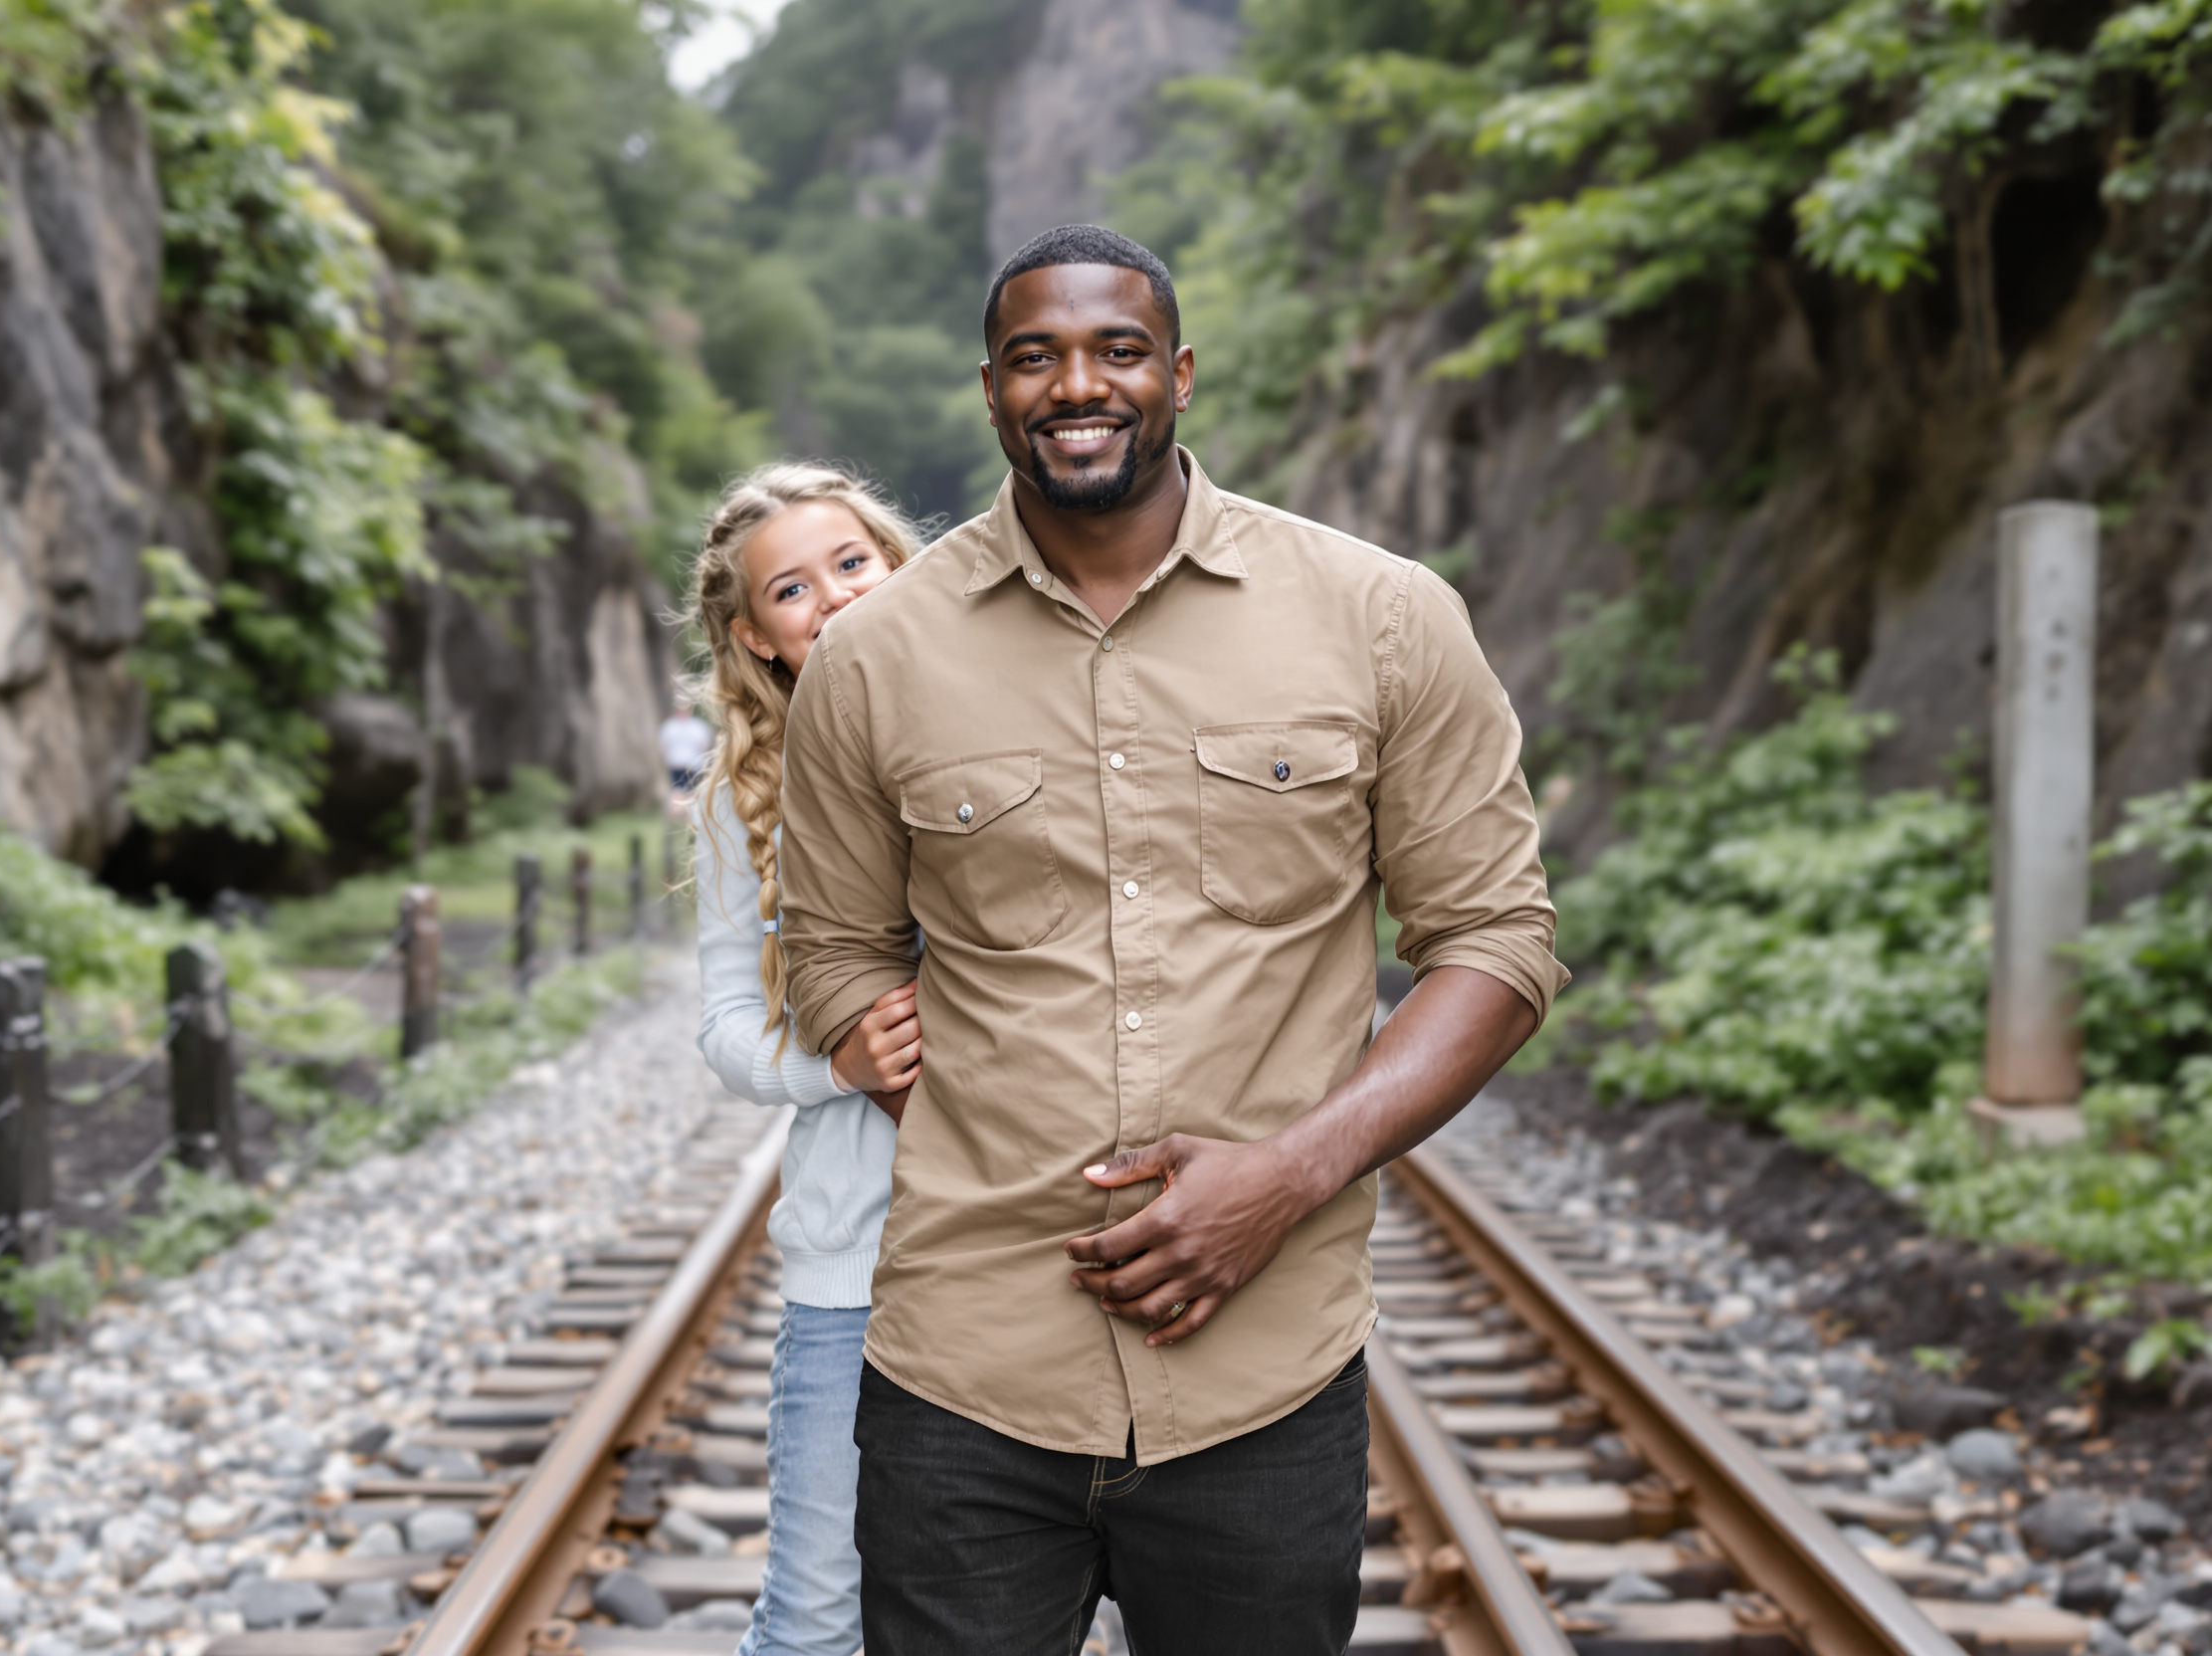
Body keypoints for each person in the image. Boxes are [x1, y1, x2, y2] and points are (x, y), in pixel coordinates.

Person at [775, 225, 1567, 1655]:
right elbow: (831, 949)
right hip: (965, 1373)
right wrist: (941, 1088)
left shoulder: (1381, 619)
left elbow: (1498, 945)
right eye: (1037, 357)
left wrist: (1284, 1177)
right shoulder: (873, 659)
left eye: (1118, 350)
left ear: (1181, 375)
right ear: (992, 389)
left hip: (1263, 1378)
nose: (1078, 384)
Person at [688, 463, 926, 1656]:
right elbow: (725, 1020)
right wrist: (832, 1064)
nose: (832, 597)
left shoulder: (1004, 719)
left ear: (898, 563)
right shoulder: (742, 795)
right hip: (856, 1262)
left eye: (851, 562)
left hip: (1039, 1247)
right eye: (792, 588)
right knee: (817, 1613)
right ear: (755, 636)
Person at [661, 704, 714, 796]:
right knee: (677, 793)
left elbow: (705, 746)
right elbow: (663, 747)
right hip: (676, 766)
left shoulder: (698, 727)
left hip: (694, 766)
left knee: (693, 792)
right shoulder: (669, 726)